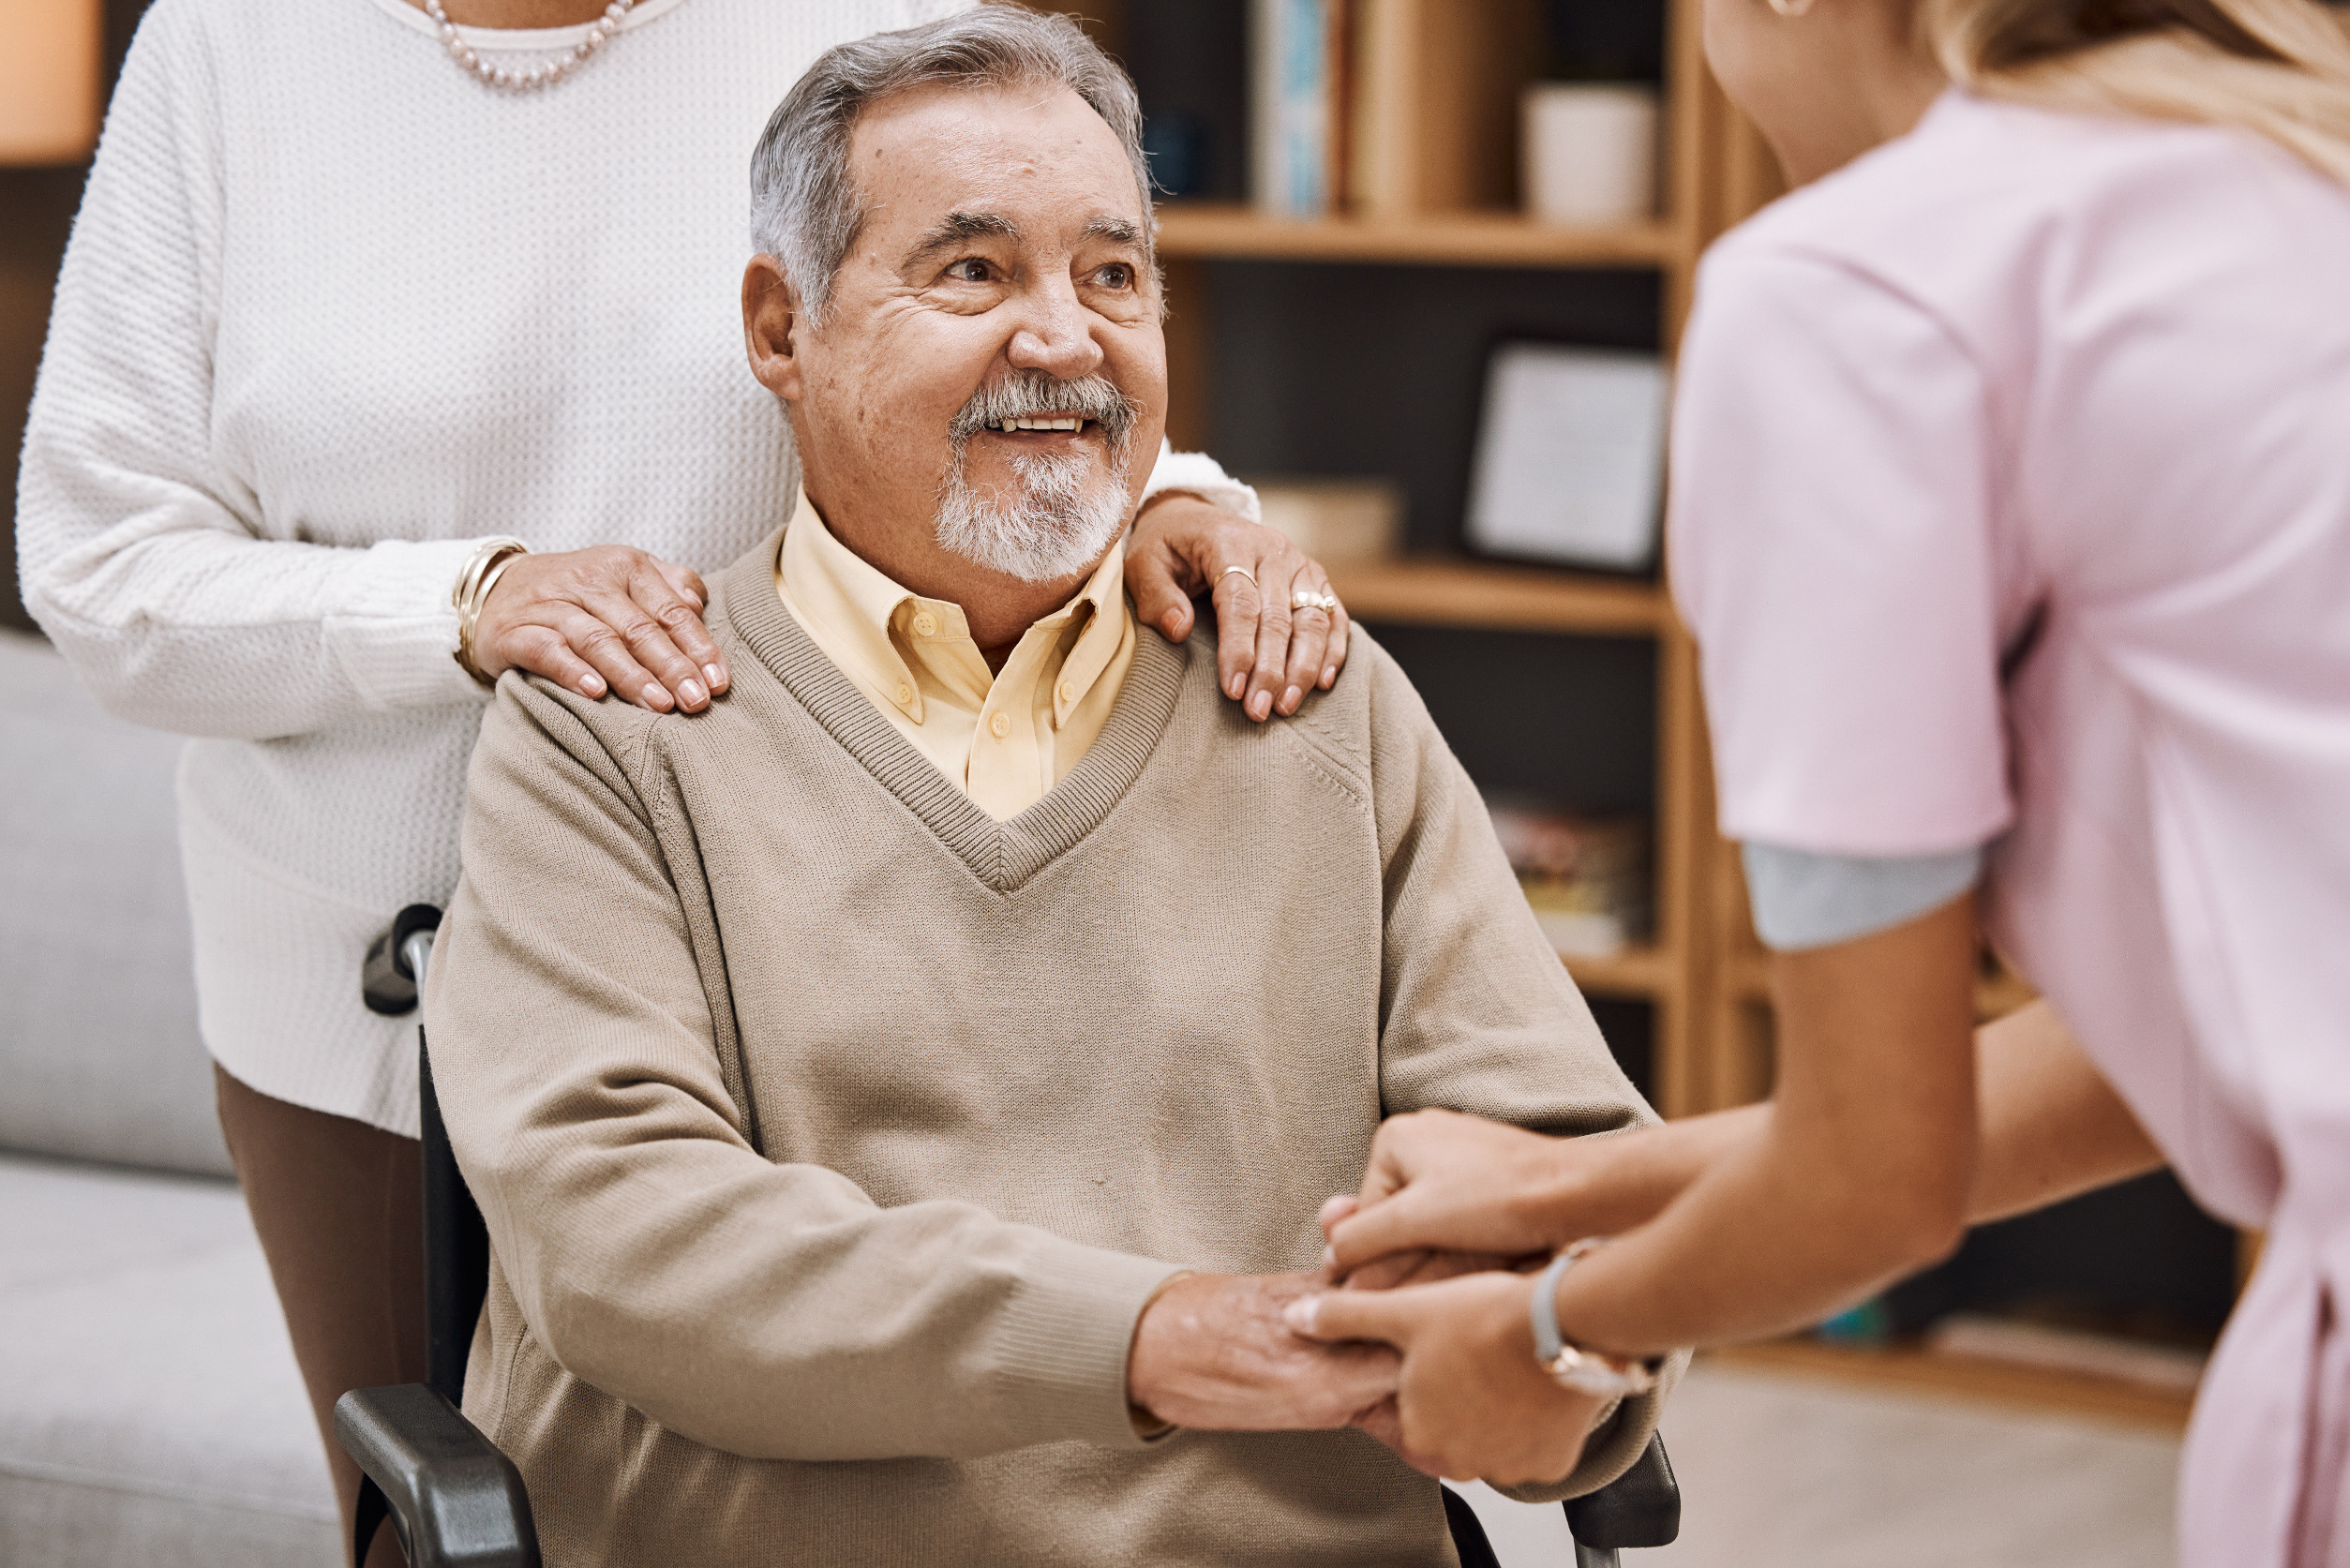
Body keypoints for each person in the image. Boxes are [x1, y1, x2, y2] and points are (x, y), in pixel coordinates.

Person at [13, 1, 1350, 1561]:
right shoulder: (227, 46)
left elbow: (1015, 303)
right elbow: (99, 568)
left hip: (808, 954)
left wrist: (1178, 503)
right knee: (437, 1525)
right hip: (369, 989)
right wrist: (459, 605)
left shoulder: (878, 15)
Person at [419, 12, 1674, 1563]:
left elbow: (1569, 1158)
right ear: (779, 328)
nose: (1066, 339)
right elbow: (625, 1239)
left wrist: (1563, 1347)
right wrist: (1154, 1337)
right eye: (973, 270)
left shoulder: (1312, 700)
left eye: (1113, 272)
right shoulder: (610, 730)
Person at [1283, 0, 2350, 1555]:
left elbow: (1872, 1177)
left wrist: (1554, 1334)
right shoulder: (2293, 173)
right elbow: (2211, 1017)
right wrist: (1576, 1194)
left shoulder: (1860, 299)